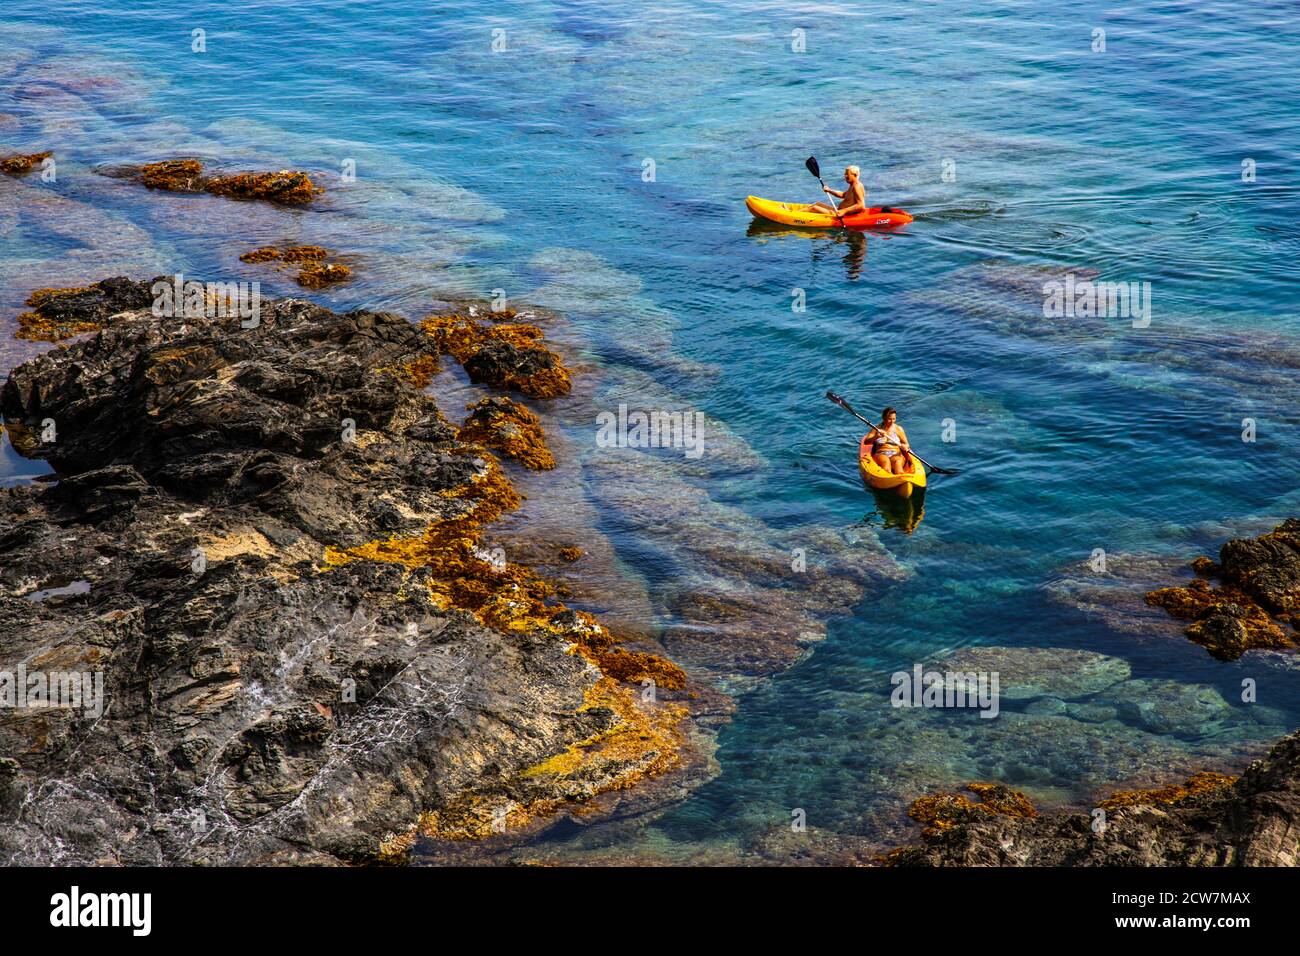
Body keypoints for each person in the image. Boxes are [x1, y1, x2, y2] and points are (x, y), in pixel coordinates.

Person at [866, 407, 913, 475]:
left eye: (894, 419)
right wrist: (877, 436)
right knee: (886, 466)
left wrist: (905, 446)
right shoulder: (877, 428)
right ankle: (888, 480)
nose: (892, 421)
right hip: (881, 453)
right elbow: (866, 441)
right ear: (884, 418)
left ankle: (902, 479)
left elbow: (906, 444)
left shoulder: (898, 429)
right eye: (889, 419)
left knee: (898, 466)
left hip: (896, 454)